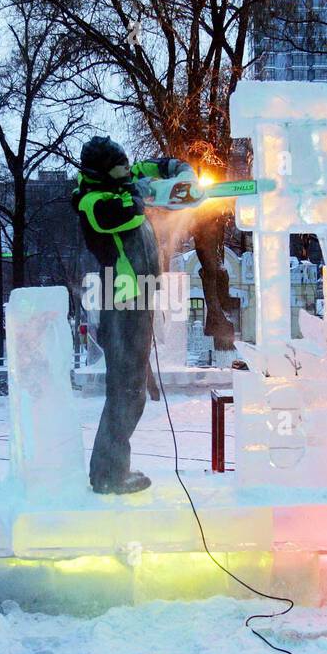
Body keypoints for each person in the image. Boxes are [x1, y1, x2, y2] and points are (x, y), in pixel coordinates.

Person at [72, 136, 188, 494]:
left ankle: (110, 470)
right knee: (126, 391)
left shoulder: (122, 181)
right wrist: (141, 191)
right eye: (120, 166)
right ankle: (109, 474)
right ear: (102, 172)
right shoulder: (93, 202)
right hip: (121, 302)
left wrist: (179, 172)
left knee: (131, 390)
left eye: (126, 163)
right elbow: (128, 211)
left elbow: (153, 166)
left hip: (138, 299)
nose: (128, 168)